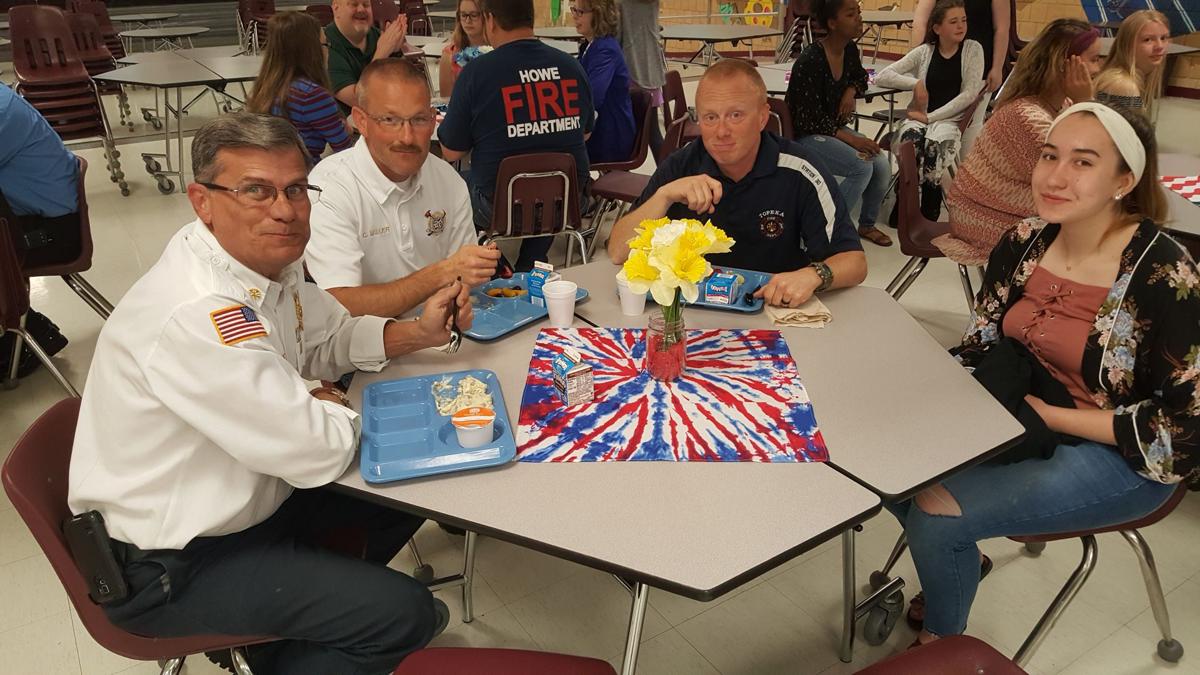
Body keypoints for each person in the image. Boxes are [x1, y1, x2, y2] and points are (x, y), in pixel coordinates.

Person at [67, 113, 472, 674]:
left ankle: (284, 628)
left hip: (254, 503)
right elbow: (319, 450)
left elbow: (329, 334)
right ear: (202, 201)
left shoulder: (265, 267)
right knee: (406, 615)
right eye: (255, 190)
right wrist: (317, 399)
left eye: (296, 189)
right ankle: (283, 648)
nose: (284, 209)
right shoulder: (198, 312)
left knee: (419, 489)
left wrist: (418, 335)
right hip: (173, 564)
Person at [893, 101, 1198, 649]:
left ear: (1124, 180)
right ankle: (960, 559)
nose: (1055, 177)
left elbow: (1183, 432)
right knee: (882, 465)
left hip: (1119, 454)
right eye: (1049, 155)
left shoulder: (1165, 273)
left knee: (935, 514)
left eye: (1083, 163)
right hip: (1019, 412)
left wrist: (1050, 415)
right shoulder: (1026, 240)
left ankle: (940, 649)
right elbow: (982, 343)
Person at [608, 60, 866, 309]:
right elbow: (618, 251)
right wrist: (663, 196)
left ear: (763, 117)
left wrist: (814, 275)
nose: (721, 131)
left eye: (735, 115)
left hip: (772, 310)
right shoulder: (681, 166)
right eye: (710, 117)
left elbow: (855, 261)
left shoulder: (799, 169)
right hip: (695, 314)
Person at [307, 58, 501, 319]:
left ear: (434, 120)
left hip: (440, 334)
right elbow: (340, 305)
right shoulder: (330, 187)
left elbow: (462, 279)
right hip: (363, 347)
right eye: (390, 119)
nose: (407, 137)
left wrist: (468, 279)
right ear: (361, 121)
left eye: (419, 120)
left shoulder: (448, 178)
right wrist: (443, 272)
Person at [438, 0, 595, 272]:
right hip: (567, 202)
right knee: (545, 182)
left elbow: (451, 152)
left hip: (499, 205)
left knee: (445, 189)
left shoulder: (477, 73)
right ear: (530, 19)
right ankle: (530, 262)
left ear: (490, 20)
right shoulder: (570, 66)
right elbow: (586, 133)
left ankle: (497, 262)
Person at [938, 19, 1100, 265]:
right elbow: (1084, 171)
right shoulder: (1029, 117)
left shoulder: (1062, 105)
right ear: (1063, 65)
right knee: (1091, 242)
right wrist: (1086, 103)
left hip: (1004, 209)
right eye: (1093, 59)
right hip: (982, 215)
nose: (1098, 69)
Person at [786, 0, 893, 248]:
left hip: (831, 130)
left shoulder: (850, 50)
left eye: (858, 13)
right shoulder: (811, 59)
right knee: (861, 166)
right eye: (850, 14)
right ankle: (827, 230)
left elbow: (860, 76)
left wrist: (850, 91)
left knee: (881, 163)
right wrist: (853, 139)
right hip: (806, 134)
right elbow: (806, 119)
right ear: (833, 23)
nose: (858, 19)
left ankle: (866, 224)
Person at [875, 0, 984, 220]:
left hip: (948, 121)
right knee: (910, 143)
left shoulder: (973, 49)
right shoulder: (925, 52)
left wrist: (930, 118)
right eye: (953, 22)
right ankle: (904, 202)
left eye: (963, 20)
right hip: (919, 117)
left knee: (935, 146)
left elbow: (969, 94)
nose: (961, 26)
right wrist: (915, 84)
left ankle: (929, 208)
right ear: (937, 28)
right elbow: (882, 75)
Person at [0, 85, 80, 378]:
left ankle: (22, 332)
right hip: (27, 219)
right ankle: (27, 329)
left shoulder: (1, 110)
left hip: (53, 232)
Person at [247, 11, 354, 161]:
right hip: (303, 174)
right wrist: (346, 131)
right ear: (312, 50)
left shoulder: (266, 86)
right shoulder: (312, 95)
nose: (328, 50)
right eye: (326, 44)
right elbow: (345, 151)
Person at [910, 0, 1008, 153]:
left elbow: (1001, 28)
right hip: (938, 65)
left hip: (979, 66)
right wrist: (918, 63)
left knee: (970, 125)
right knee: (931, 121)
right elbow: (920, 22)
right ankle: (927, 168)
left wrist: (997, 67)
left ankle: (966, 171)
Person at [574, 0, 635, 163]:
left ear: (598, 14)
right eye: (574, 10)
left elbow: (594, 97)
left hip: (610, 135)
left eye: (580, 12)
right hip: (603, 127)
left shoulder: (604, 49)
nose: (574, 17)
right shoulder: (590, 45)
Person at [326, 0, 412, 113]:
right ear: (336, 8)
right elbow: (358, 100)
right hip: (350, 127)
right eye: (354, 4)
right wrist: (382, 54)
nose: (361, 9)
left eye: (366, 5)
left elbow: (402, 85)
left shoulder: (376, 35)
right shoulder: (326, 46)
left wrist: (396, 50)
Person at [1093, 10, 1171, 116]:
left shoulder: (1141, 78)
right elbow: (1123, 131)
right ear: (1127, 44)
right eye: (1147, 40)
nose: (1160, 46)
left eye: (1163, 38)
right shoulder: (1122, 85)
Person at [619, 0, 667, 158]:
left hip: (629, 68)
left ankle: (617, 178)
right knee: (653, 133)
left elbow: (615, 34)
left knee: (622, 134)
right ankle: (671, 177)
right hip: (649, 65)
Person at [439, 0, 489, 96]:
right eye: (463, 15)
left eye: (474, 15)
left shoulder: (499, 50)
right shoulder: (449, 55)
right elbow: (447, 102)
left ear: (486, 16)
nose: (467, 21)